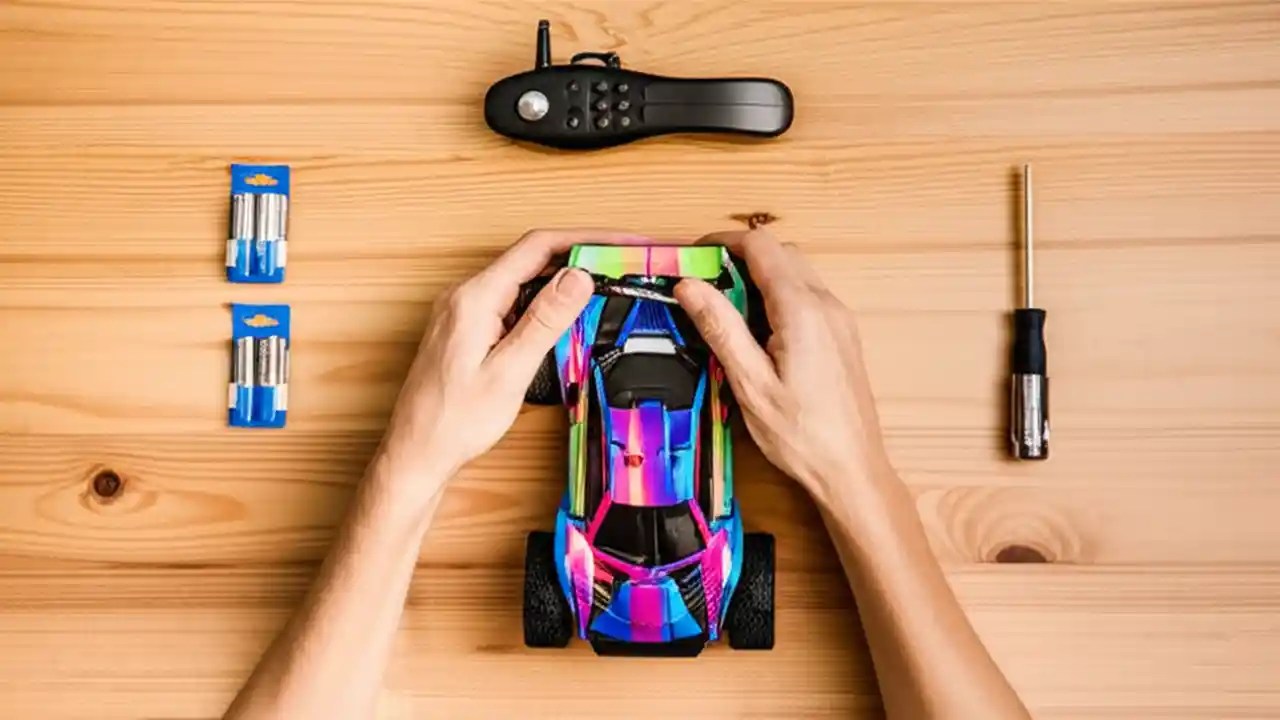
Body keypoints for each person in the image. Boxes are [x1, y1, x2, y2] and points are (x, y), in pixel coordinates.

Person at [224, 229, 1031, 720]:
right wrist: (860, 476)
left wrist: (406, 468)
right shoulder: (684, 550)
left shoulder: (603, 541)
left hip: (637, 499)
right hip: (646, 482)